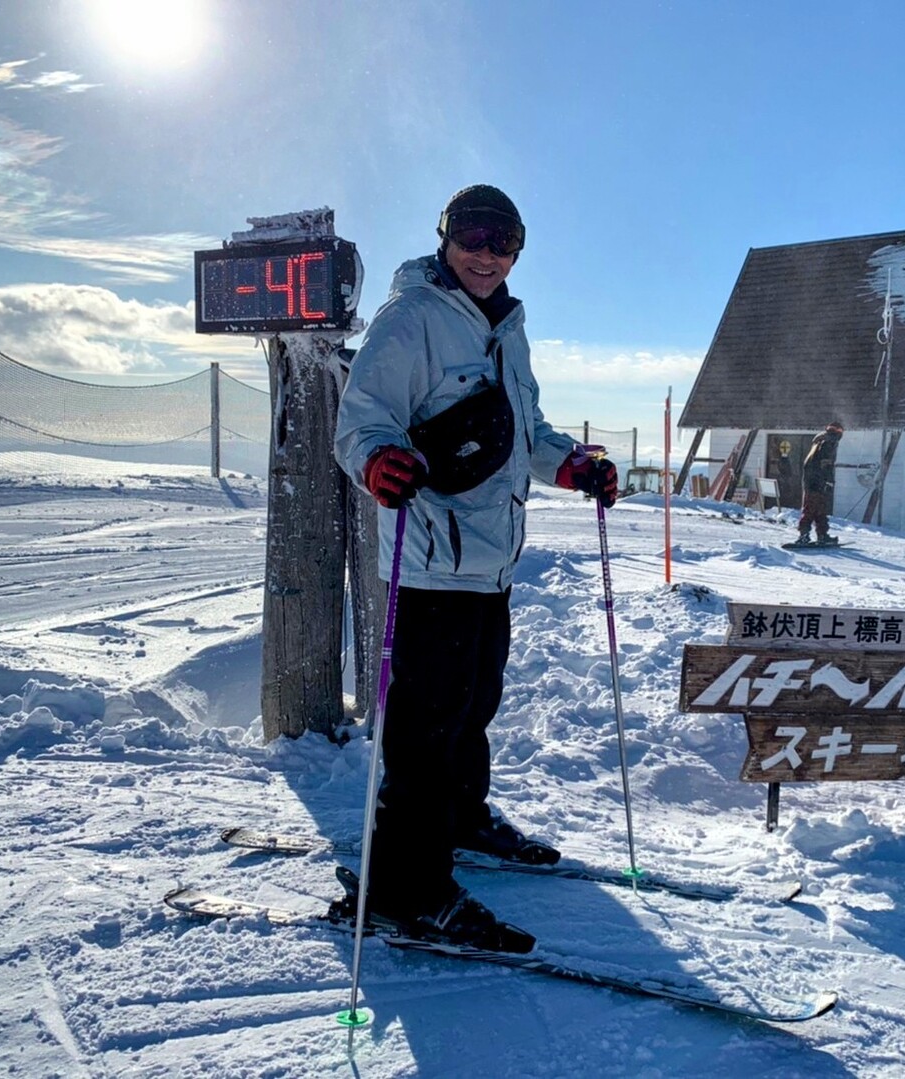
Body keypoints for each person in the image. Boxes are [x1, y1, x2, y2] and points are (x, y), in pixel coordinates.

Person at [333, 184, 619, 953]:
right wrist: (378, 462)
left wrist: (575, 466)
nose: (486, 253)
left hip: (490, 566)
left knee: (471, 708)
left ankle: (460, 820)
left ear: (518, 249)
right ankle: (406, 889)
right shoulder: (412, 318)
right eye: (472, 236)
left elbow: (523, 430)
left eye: (502, 240)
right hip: (430, 563)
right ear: (445, 238)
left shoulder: (506, 326)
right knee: (423, 736)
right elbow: (359, 423)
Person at [797, 422, 843, 545]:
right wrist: (828, 481)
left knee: (820, 509)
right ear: (838, 432)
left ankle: (822, 535)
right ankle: (804, 535)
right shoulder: (828, 443)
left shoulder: (820, 440)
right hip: (816, 482)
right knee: (811, 509)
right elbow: (825, 464)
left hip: (811, 480)